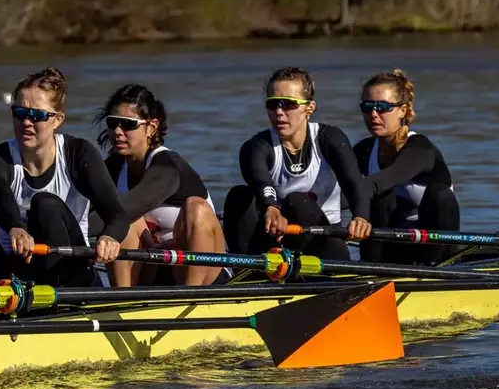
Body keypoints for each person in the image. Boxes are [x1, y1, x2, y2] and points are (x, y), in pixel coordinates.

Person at [0, 67, 128, 288]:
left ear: (57, 120)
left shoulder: (79, 154)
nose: (26, 123)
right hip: (15, 267)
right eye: (20, 113)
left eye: (37, 116)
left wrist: (109, 237)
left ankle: (59, 300)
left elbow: (117, 216)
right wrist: (16, 227)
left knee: (45, 204)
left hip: (70, 268)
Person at [224, 66, 372, 261]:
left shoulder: (330, 139)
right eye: (273, 104)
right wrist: (271, 207)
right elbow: (260, 181)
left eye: (288, 104)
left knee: (297, 202)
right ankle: (246, 272)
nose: (279, 112)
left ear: (309, 108)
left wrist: (360, 217)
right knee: (239, 196)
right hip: (277, 242)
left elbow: (353, 182)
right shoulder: (257, 147)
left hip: (323, 243)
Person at [95, 83, 226, 287]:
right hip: (153, 268)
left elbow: (131, 205)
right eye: (112, 123)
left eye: (127, 124)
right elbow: (81, 210)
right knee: (124, 221)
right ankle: (122, 299)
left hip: (201, 271)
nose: (117, 132)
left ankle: (193, 296)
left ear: (152, 127)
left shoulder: (168, 166)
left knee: (195, 207)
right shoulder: (113, 168)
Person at [354, 69, 461, 265]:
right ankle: (371, 268)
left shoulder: (420, 149)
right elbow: (339, 190)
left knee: (439, 194)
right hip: (392, 247)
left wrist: (358, 211)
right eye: (368, 107)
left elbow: (382, 181)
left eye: (382, 107)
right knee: (379, 199)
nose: (374, 114)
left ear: (402, 110)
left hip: (433, 248)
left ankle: (438, 270)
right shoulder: (364, 150)